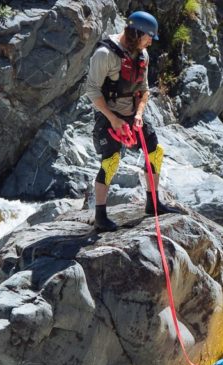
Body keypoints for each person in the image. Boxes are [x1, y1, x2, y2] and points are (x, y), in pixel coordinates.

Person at [85, 11, 178, 232]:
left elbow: (144, 90)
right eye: (148, 37)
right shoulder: (104, 54)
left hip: (133, 114)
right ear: (136, 33)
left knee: (155, 152)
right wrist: (113, 119)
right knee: (111, 161)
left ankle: (152, 204)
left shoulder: (142, 55)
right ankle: (100, 216)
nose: (150, 43)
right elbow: (92, 91)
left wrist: (138, 114)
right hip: (108, 115)